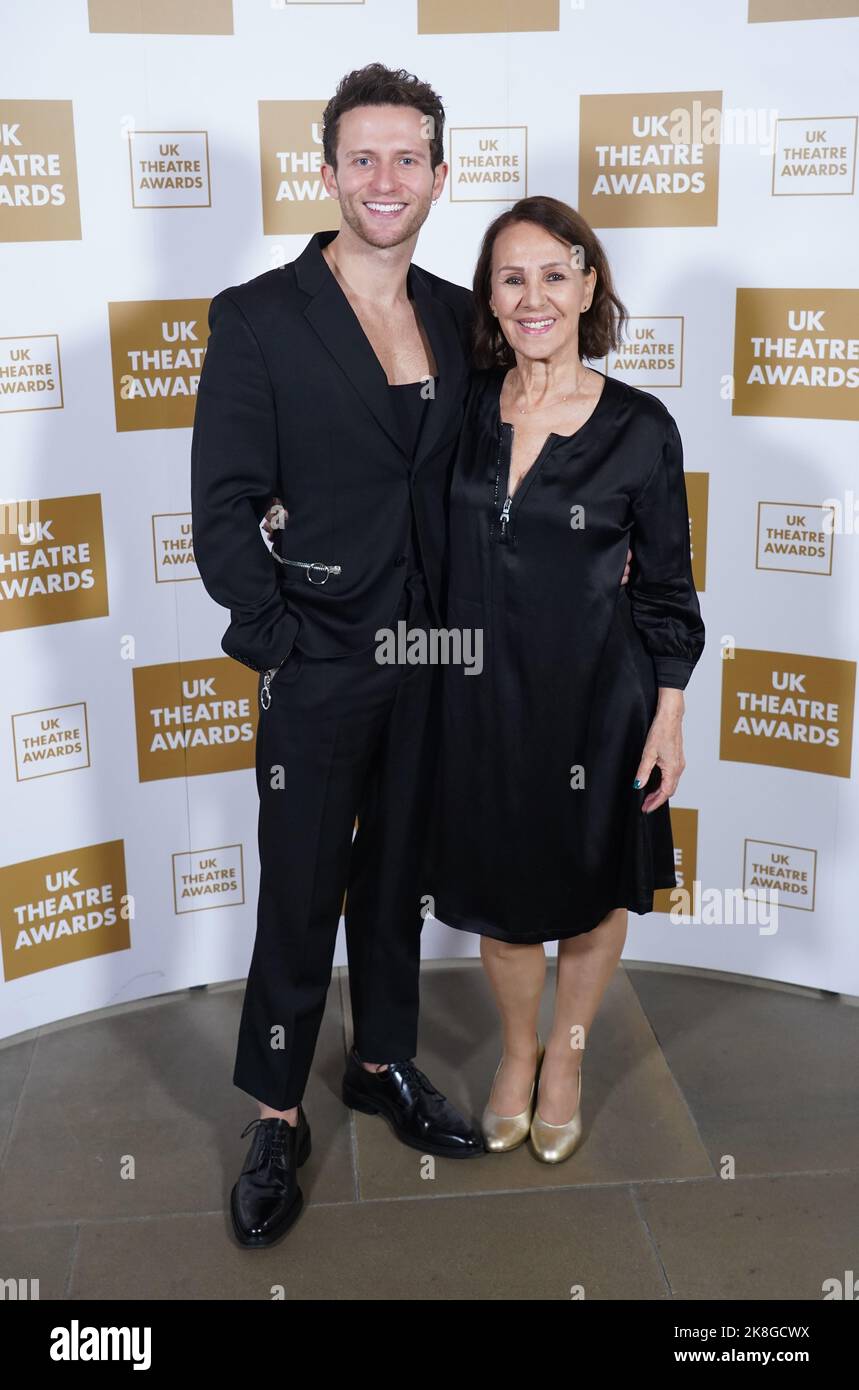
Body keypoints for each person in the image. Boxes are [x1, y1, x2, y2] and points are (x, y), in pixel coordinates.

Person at [190, 64, 495, 1250]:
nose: (384, 178)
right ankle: (277, 1110)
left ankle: (380, 1061)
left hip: (437, 652)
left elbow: (488, 483)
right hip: (318, 657)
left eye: (406, 157)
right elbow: (222, 511)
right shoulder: (260, 316)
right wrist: (282, 648)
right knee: (302, 880)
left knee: (400, 874)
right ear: (325, 173)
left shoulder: (458, 316)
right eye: (361, 157)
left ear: (437, 174)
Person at [427, 196, 706, 1163]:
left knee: (590, 891)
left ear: (590, 286)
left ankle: (567, 1059)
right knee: (500, 895)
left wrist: (667, 715)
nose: (534, 295)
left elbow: (666, 587)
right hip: (473, 701)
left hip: (598, 702)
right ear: (489, 298)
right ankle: (516, 1052)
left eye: (556, 272)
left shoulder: (641, 428)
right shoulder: (460, 407)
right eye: (512, 277)